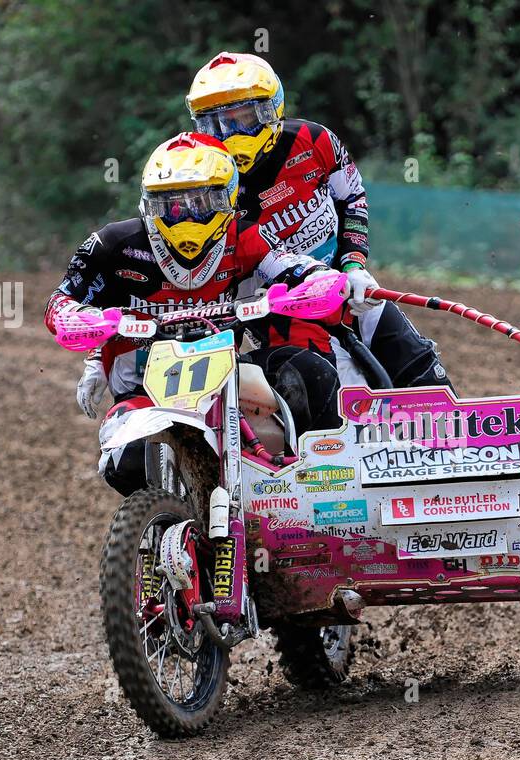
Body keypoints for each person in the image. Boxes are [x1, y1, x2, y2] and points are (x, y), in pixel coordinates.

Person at [47, 132, 345, 495]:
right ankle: (161, 524)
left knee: (310, 373)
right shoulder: (114, 244)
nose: (187, 215)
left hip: (229, 384)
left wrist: (319, 278)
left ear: (228, 198)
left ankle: (327, 490)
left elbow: (290, 264)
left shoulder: (246, 237)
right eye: (172, 205)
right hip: (144, 391)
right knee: (128, 459)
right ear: (149, 204)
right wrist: (80, 321)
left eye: (201, 202)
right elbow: (62, 298)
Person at [183, 51, 452, 392]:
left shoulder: (315, 141)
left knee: (415, 361)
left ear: (271, 109)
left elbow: (352, 198)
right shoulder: (207, 186)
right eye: (218, 122)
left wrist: (354, 264)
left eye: (245, 118)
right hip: (279, 307)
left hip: (346, 284)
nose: (233, 133)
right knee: (345, 393)